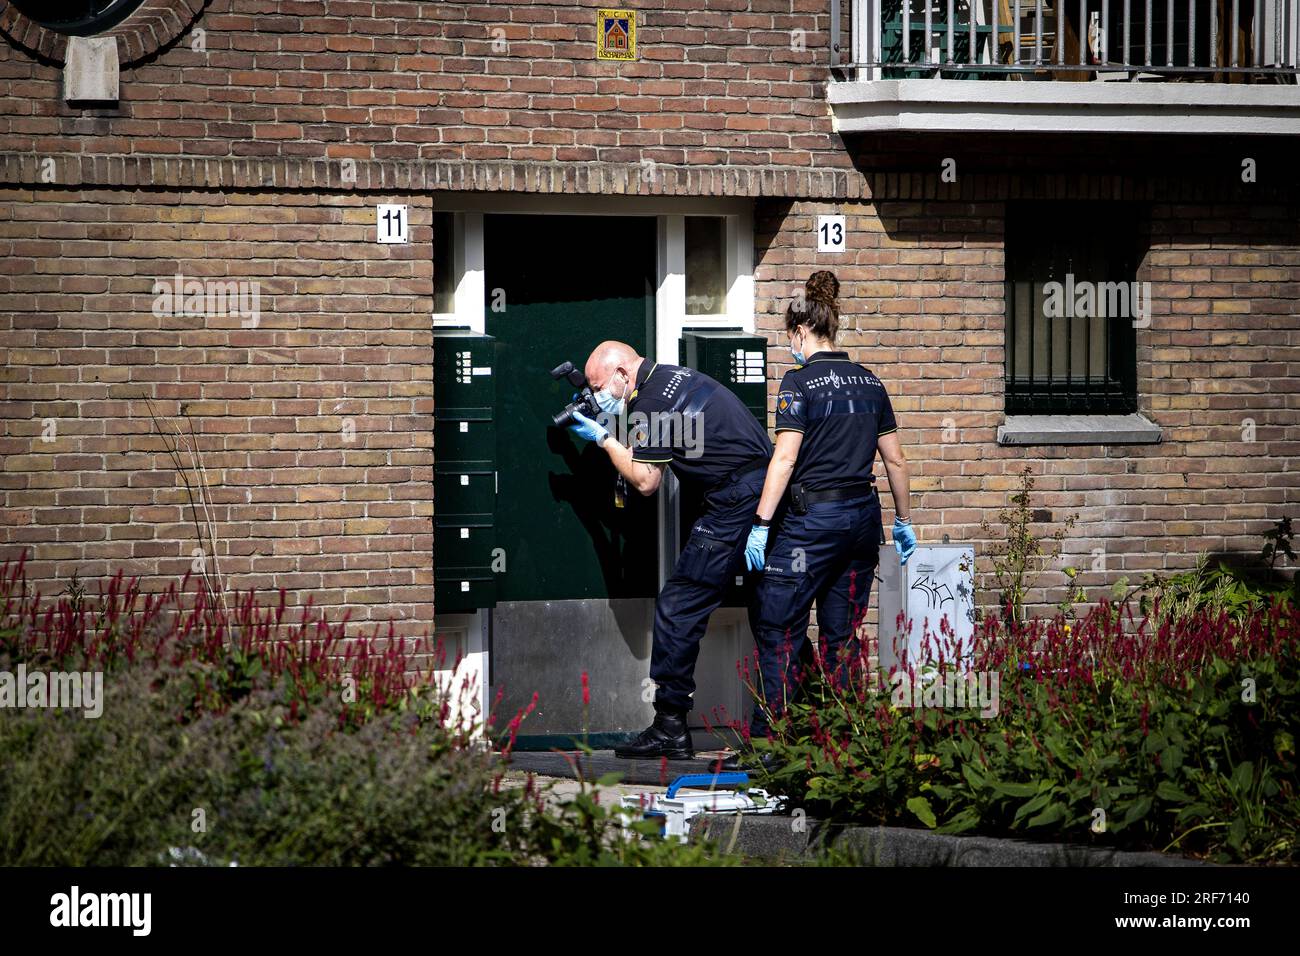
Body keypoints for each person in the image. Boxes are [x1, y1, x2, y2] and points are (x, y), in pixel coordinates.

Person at [722, 271, 916, 770]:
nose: (791, 345)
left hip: (812, 524)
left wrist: (761, 523)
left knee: (778, 626)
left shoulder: (799, 382)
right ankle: (846, 743)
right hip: (862, 522)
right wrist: (904, 521)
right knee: (842, 636)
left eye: (790, 336)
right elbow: (895, 461)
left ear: (802, 331)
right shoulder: (871, 383)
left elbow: (784, 460)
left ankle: (773, 745)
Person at [566, 341, 773, 759]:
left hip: (735, 500)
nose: (600, 395)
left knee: (678, 607)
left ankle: (671, 727)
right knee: (771, 610)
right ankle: (780, 730)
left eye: (600, 386)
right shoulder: (669, 378)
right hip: (761, 491)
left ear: (623, 373)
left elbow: (645, 481)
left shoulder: (651, 402)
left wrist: (604, 438)